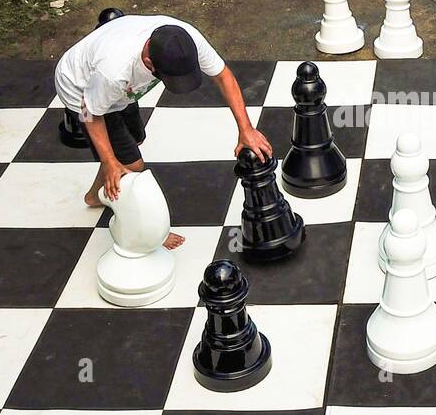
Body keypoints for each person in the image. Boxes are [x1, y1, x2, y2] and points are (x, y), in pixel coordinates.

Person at [54, 14, 272, 249]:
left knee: (134, 140)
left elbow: (222, 75)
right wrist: (108, 161)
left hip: (119, 94)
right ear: (149, 62)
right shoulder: (114, 71)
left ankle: (95, 195)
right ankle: (148, 232)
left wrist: (246, 128)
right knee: (132, 167)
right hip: (80, 87)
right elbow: (89, 111)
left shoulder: (185, 38)